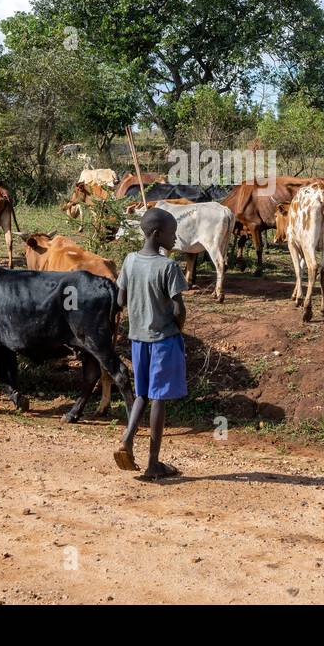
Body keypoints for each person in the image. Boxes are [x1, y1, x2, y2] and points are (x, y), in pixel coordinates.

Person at [113, 206, 188, 481]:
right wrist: (176, 330)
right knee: (158, 398)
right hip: (163, 340)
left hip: (138, 340)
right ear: (157, 234)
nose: (175, 239)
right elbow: (179, 310)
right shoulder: (168, 267)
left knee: (142, 394)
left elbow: (120, 301)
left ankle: (126, 439)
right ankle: (153, 463)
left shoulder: (130, 260)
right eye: (172, 234)